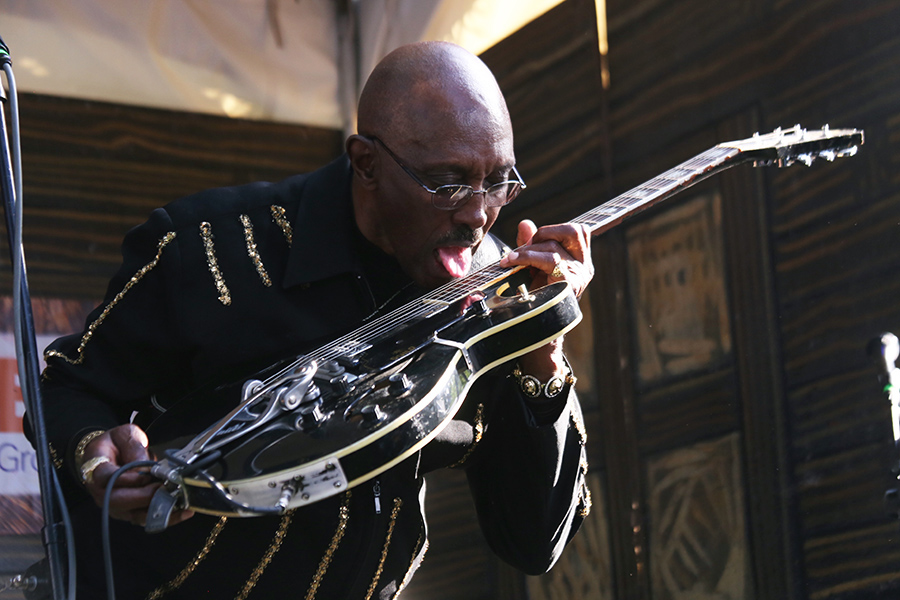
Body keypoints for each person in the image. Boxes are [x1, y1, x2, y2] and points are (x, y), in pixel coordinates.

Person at [32, 41, 594, 599]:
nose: (477, 214)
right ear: (366, 162)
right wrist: (93, 454)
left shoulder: (490, 294)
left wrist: (542, 348)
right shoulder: (209, 247)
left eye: (498, 180)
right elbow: (69, 385)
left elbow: (531, 541)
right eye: (446, 183)